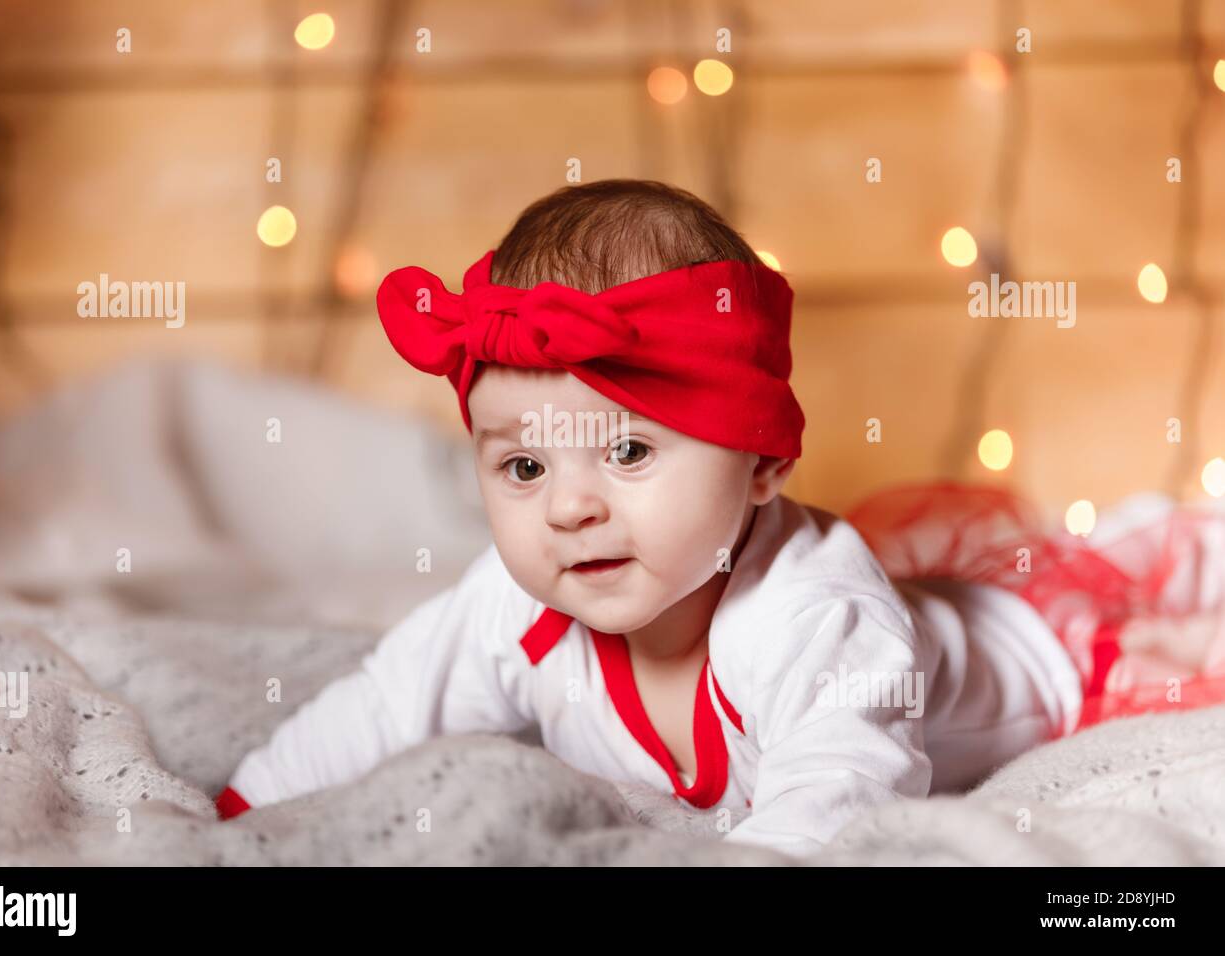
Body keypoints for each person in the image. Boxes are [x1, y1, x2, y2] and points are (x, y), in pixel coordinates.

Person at [215, 179, 1225, 860]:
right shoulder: (512, 605)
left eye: (629, 451)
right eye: (523, 463)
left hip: (1044, 659)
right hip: (931, 606)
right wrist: (243, 809)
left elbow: (842, 792)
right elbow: (390, 703)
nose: (569, 504)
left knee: (1161, 610)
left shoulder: (811, 615)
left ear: (763, 462)